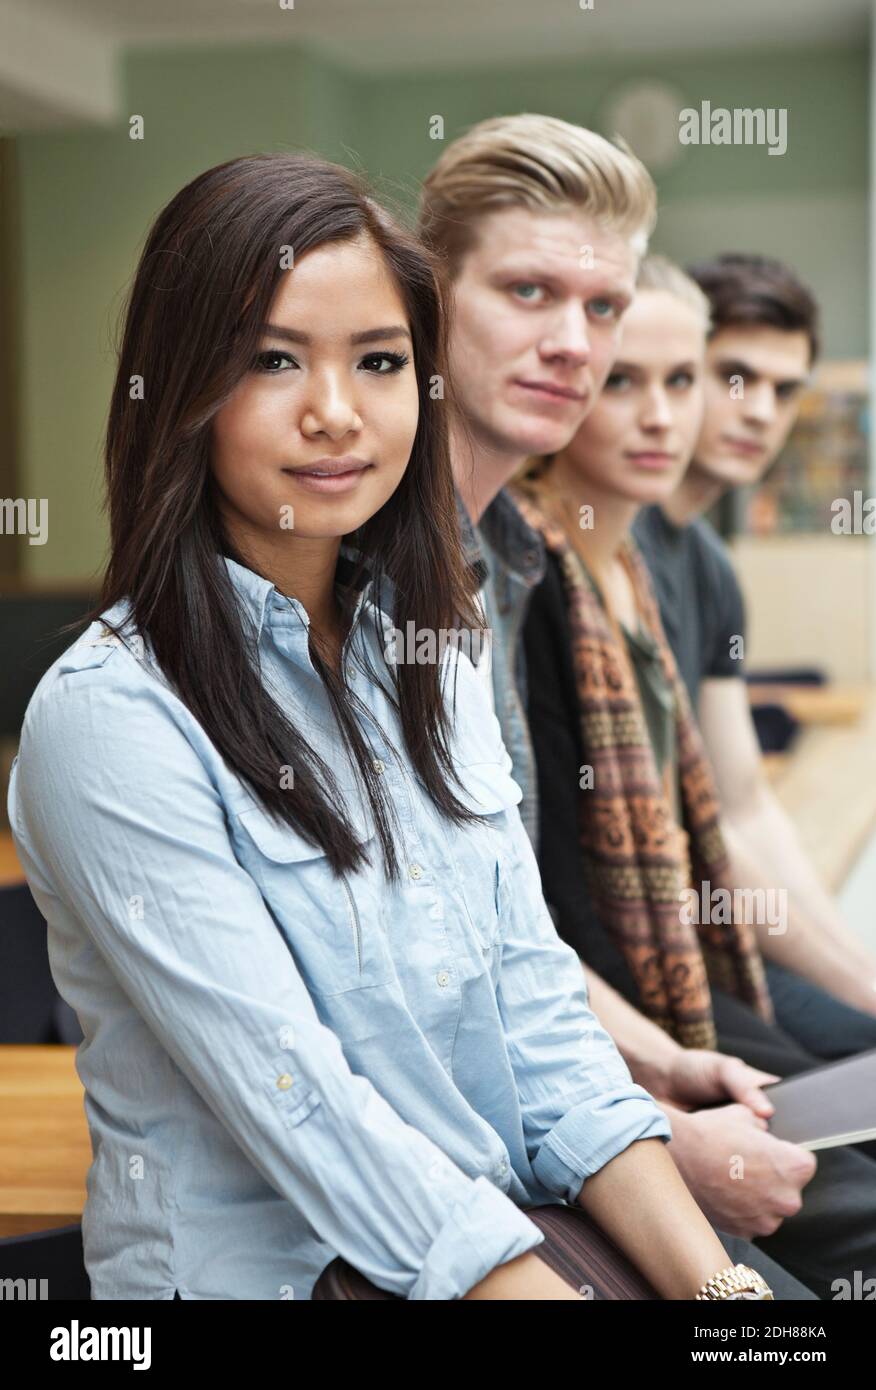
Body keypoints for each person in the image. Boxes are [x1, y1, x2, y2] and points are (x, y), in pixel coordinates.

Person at [6, 153, 762, 1302]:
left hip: (504, 1227)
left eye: (379, 361)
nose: (335, 412)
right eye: (272, 359)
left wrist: (722, 1297)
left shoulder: (431, 651)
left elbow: (539, 1016)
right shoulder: (108, 715)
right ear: (180, 388)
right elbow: (299, 1104)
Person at [418, 117, 815, 1299]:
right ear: (427, 297)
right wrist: (644, 1116)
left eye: (603, 307)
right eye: (528, 291)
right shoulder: (378, 583)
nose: (572, 346)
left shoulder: (503, 559)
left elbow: (504, 937)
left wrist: (654, 1074)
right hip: (459, 1167)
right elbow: (421, 989)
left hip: (567, 1087)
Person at [516, 256, 876, 1301]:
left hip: (679, 953)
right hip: (614, 990)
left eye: (686, 382)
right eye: (726, 376)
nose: (738, 410)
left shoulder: (679, 565)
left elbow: (737, 806)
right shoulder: (534, 573)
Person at [633, 252, 876, 1059]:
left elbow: (744, 804)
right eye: (734, 376)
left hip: (719, 930)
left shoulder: (708, 565)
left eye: (784, 390)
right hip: (645, 954)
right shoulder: (610, 547)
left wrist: (854, 966)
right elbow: (689, 825)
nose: (760, 411)